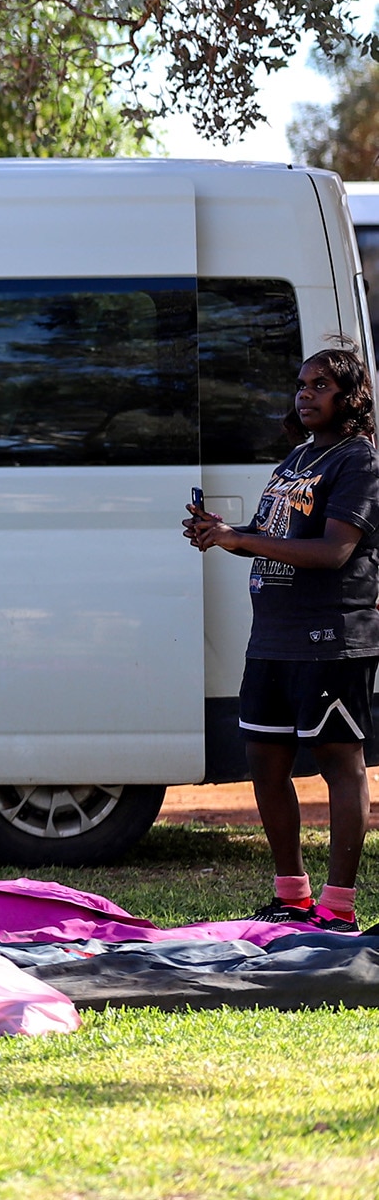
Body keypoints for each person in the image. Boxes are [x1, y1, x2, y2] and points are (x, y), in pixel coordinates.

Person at [185, 347, 379, 929]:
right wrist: (222, 533)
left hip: (331, 637)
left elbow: (333, 550)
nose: (306, 393)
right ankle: (291, 896)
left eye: (321, 385)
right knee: (264, 763)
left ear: (350, 398)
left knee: (337, 762)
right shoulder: (298, 457)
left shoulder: (359, 462)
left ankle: (338, 907)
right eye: (301, 384)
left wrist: (240, 542)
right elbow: (276, 535)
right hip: (271, 637)